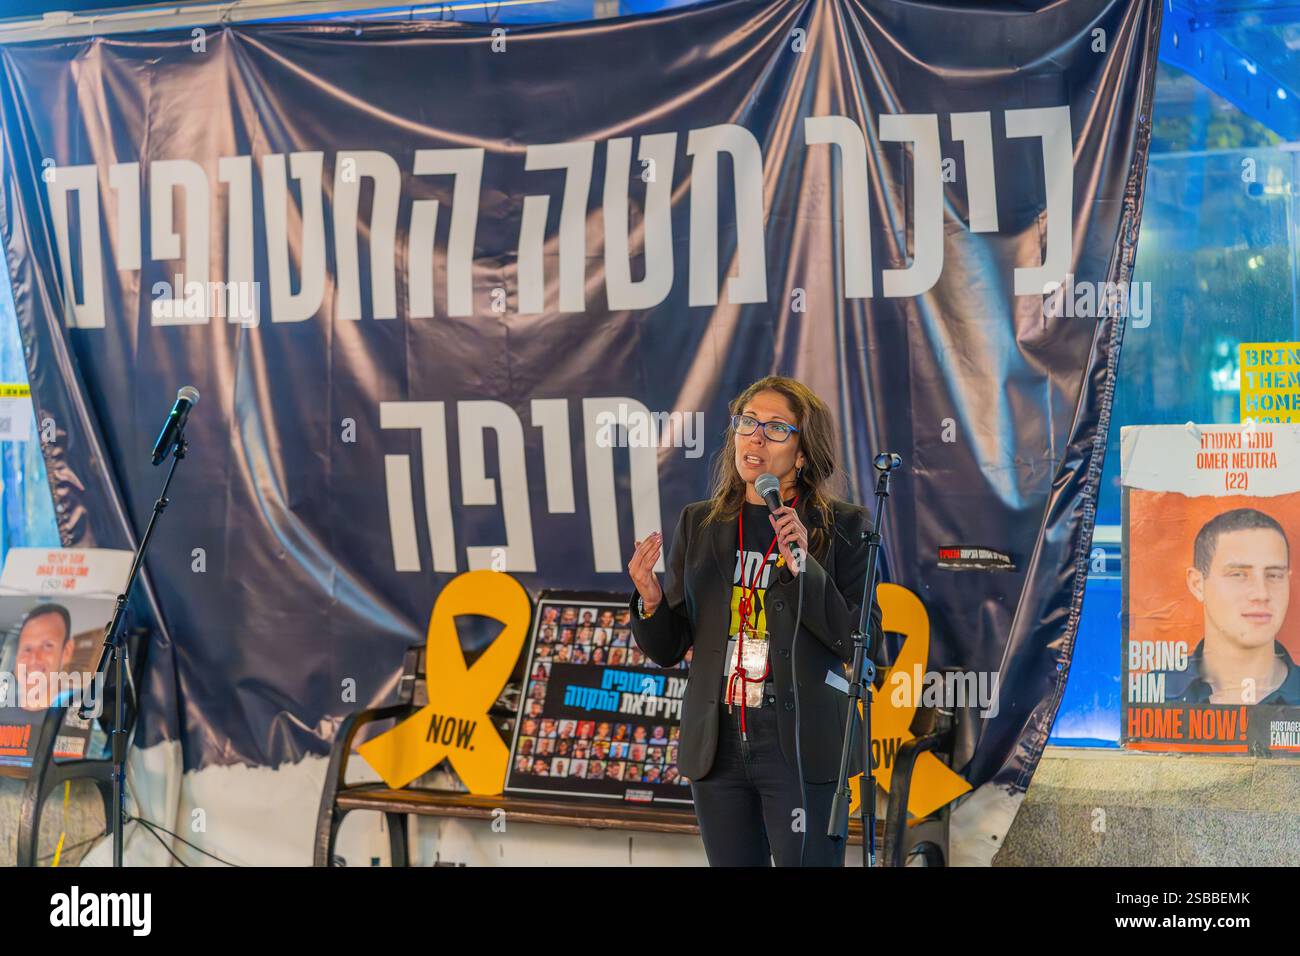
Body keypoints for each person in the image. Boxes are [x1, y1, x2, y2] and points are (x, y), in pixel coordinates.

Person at [627, 376, 881, 867]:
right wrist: (652, 601)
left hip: (799, 744)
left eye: (775, 428)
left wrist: (805, 568)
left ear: (803, 454)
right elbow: (668, 647)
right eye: (747, 422)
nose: (755, 437)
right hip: (718, 744)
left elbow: (860, 642)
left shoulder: (845, 528)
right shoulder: (699, 524)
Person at [1163, 508, 1300, 705]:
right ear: (1197, 584)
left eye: (1274, 575)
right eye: (1238, 575)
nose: (1261, 594)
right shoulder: (1154, 690)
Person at [14, 603, 75, 711]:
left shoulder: (81, 716)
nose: (34, 659)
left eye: (47, 646)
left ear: (66, 651)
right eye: (27, 649)